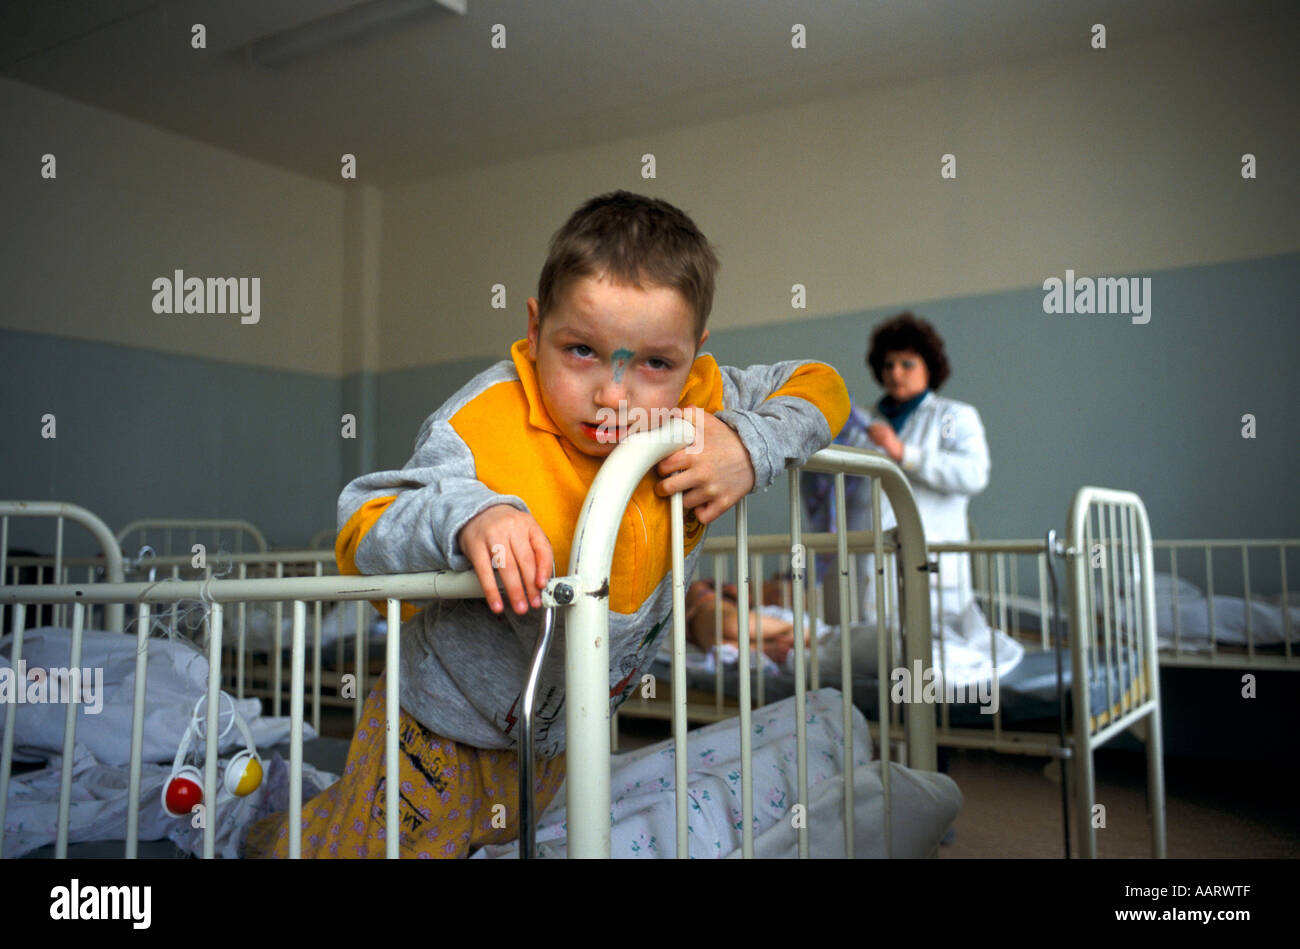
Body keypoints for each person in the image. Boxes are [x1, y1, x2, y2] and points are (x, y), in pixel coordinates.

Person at [242, 191, 850, 858]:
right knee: (353, 851)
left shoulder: (701, 399)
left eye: (654, 362)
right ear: (535, 331)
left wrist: (747, 446)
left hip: (556, 733)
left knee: (503, 842)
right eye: (582, 350)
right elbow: (364, 524)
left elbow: (819, 383)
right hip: (437, 728)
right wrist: (473, 514)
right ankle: (268, 833)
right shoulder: (484, 419)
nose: (613, 394)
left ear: (693, 354)